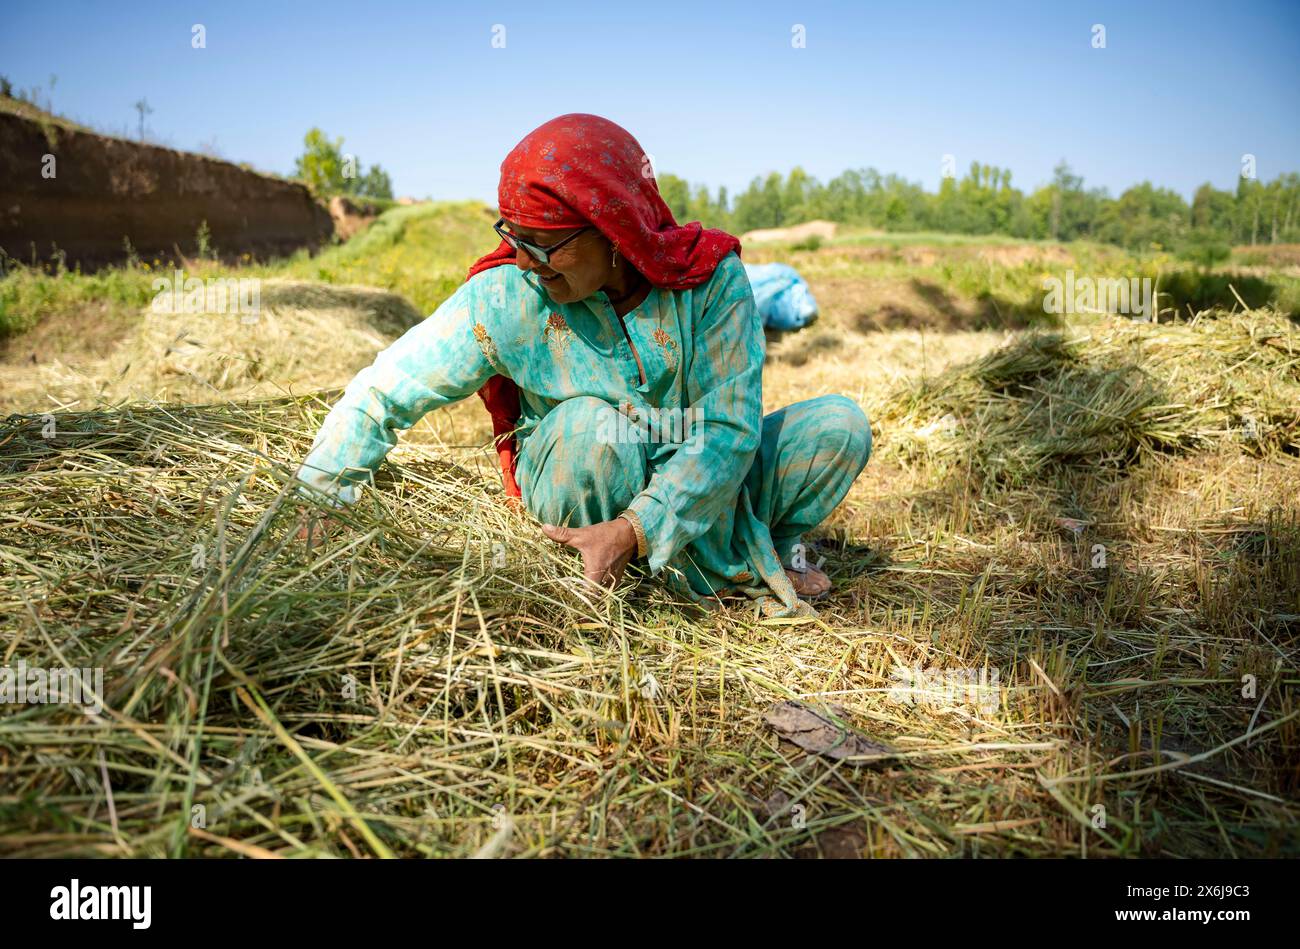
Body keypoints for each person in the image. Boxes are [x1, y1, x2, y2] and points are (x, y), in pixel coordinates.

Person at [295, 114, 871, 616]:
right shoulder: (505, 299)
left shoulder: (709, 281)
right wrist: (322, 495)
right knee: (593, 427)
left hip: (701, 488)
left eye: (543, 244)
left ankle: (707, 557)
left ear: (615, 232)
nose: (523, 261)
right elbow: (385, 389)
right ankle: (624, 566)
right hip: (584, 474)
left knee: (838, 427)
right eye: (513, 236)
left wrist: (638, 529)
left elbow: (726, 429)